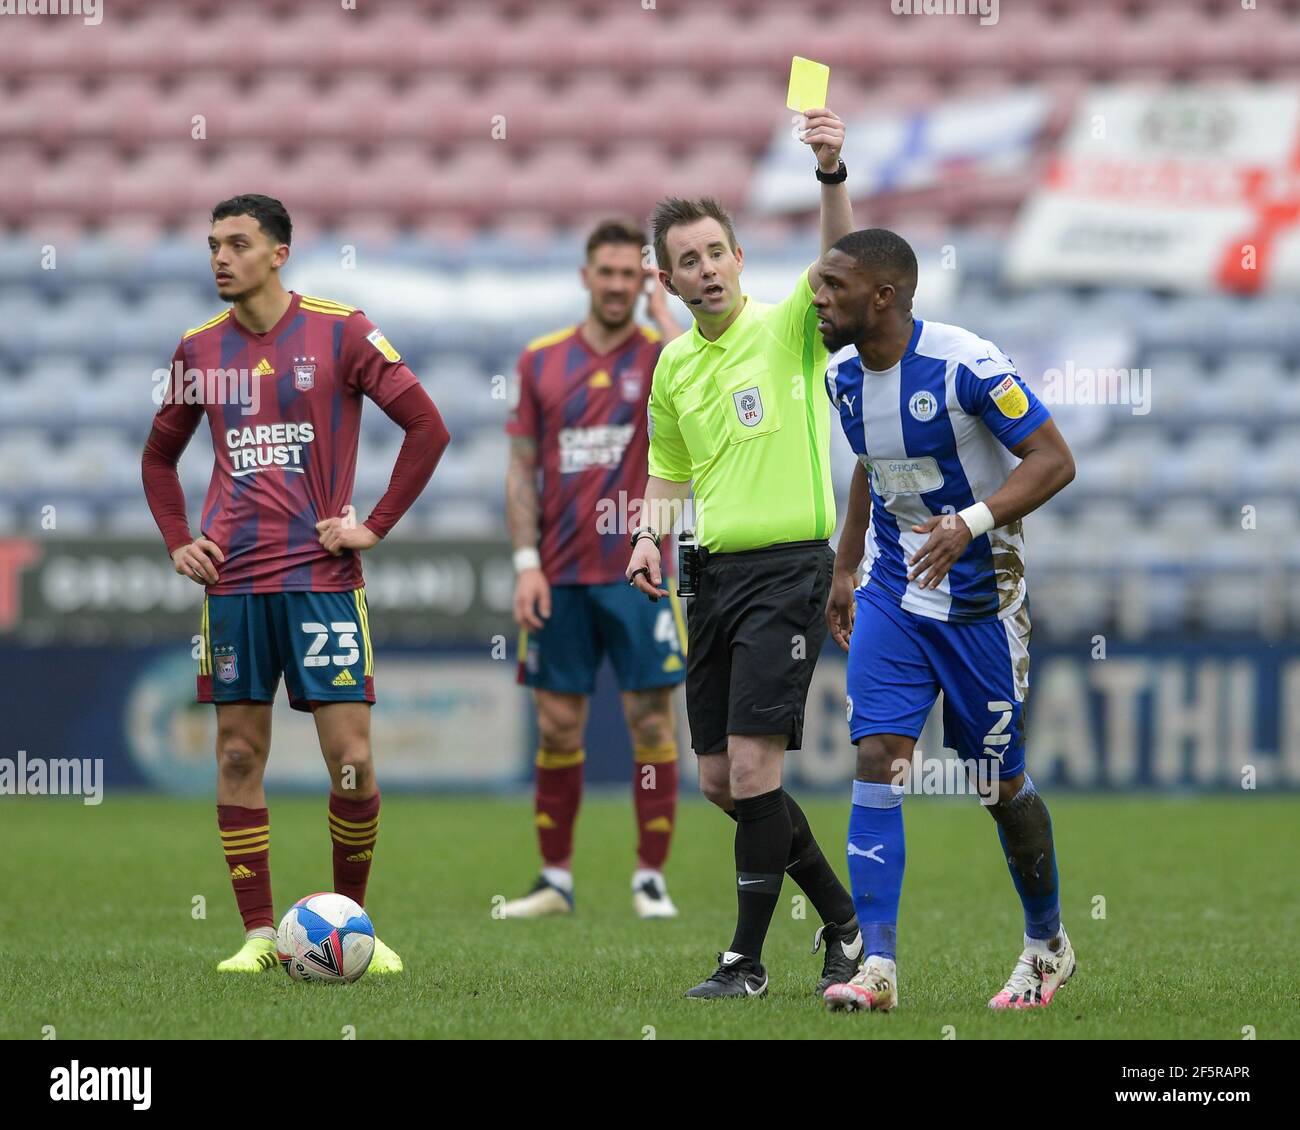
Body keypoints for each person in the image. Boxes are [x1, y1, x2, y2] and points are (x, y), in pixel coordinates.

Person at [141, 194, 450, 973]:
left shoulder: (341, 330)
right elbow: (158, 457)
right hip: (235, 585)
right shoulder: (197, 350)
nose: (219, 257)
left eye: (237, 244)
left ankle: (357, 929)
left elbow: (428, 426)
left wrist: (373, 524)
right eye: (213, 243)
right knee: (239, 756)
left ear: (279, 252)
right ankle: (254, 937)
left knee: (351, 760)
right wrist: (180, 539)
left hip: (322, 581)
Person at [626, 108, 862, 999]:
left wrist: (829, 173)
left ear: (738, 257)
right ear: (670, 277)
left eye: (716, 252)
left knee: (758, 770)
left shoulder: (790, 327)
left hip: (788, 571)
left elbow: (840, 260)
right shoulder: (674, 368)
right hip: (711, 577)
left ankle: (745, 962)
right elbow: (666, 473)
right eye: (687, 260)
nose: (706, 269)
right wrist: (649, 537)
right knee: (723, 782)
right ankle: (843, 920)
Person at [815, 228, 1077, 1012]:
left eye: (834, 286)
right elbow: (873, 460)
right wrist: (845, 560)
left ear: (884, 297)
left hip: (978, 602)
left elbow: (1053, 460)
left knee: (997, 783)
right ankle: (878, 967)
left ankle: (1047, 946)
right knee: (880, 757)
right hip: (894, 591)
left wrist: (970, 519)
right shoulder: (841, 378)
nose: (818, 299)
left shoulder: (966, 364)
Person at [502, 219, 687, 920]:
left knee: (649, 721)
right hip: (560, 571)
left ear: (645, 282)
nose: (616, 286)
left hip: (639, 570)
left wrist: (665, 315)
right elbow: (521, 471)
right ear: (586, 277)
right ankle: (554, 879)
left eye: (630, 275)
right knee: (556, 726)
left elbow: (705, 384)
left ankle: (650, 877)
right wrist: (526, 564)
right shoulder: (541, 361)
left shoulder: (666, 356)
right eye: (605, 273)